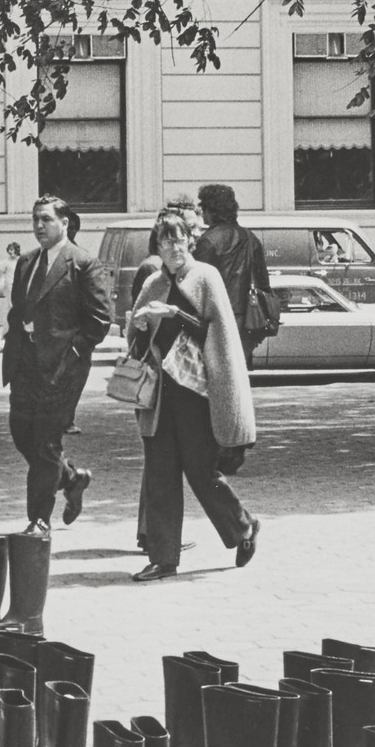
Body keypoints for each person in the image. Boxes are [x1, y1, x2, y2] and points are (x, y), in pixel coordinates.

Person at [126, 210, 258, 580]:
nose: (172, 247)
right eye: (165, 241)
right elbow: (137, 343)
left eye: (178, 239)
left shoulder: (206, 276)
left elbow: (217, 333)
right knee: (160, 473)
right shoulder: (152, 283)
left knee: (201, 472)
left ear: (190, 241)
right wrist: (140, 326)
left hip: (196, 394)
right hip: (159, 394)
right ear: (158, 246)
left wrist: (175, 314)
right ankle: (163, 558)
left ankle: (243, 527)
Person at [4, 196, 111, 536]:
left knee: (45, 442)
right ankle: (71, 478)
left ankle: (39, 521)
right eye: (35, 219)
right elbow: (19, 307)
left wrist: (72, 353)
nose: (39, 226)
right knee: (22, 433)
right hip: (26, 365)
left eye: (46, 219)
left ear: (64, 223)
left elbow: (100, 320)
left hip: (62, 369)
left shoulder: (82, 263)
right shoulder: (26, 262)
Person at [191, 184, 275, 357]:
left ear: (212, 210)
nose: (203, 214)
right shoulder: (251, 238)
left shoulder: (207, 241)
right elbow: (263, 283)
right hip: (248, 320)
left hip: (217, 318)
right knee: (240, 368)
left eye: (204, 208)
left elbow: (196, 285)